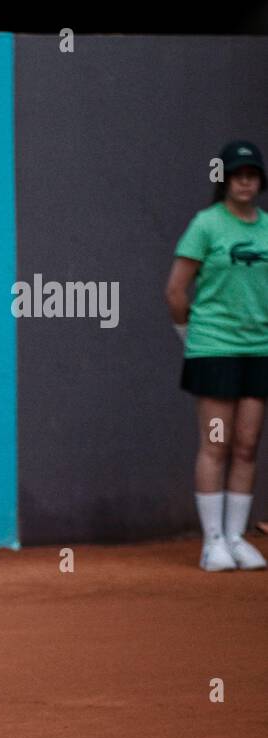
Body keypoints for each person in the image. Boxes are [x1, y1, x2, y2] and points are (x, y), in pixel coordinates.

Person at [166, 139, 268, 572]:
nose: (244, 182)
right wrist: (189, 334)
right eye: (237, 174)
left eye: (251, 175)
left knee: (246, 446)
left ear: (259, 181)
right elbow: (175, 290)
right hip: (213, 348)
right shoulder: (206, 225)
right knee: (216, 442)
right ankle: (212, 543)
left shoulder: (266, 227)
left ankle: (235, 536)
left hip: (258, 349)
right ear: (225, 180)